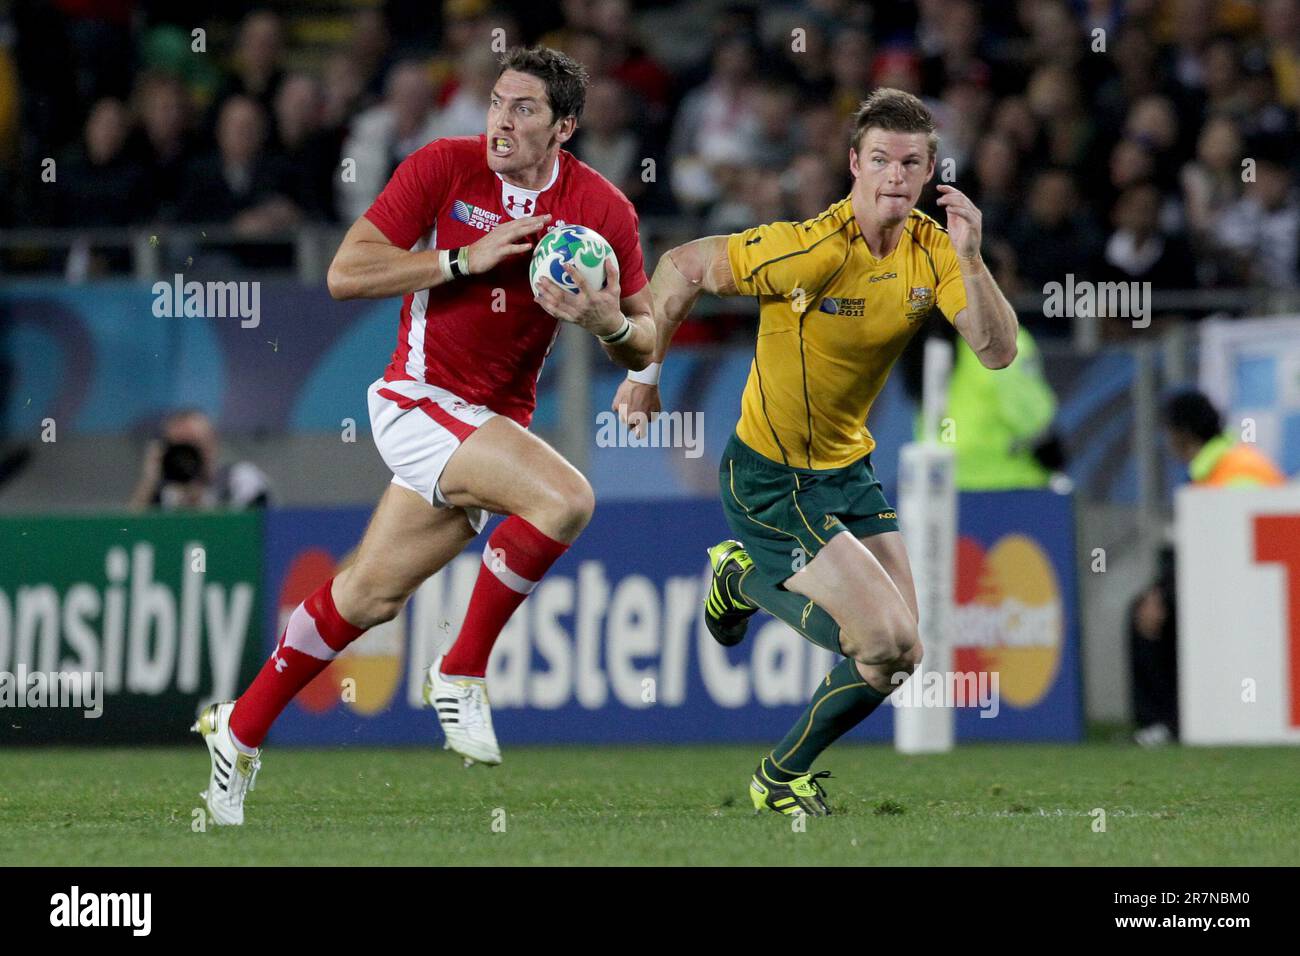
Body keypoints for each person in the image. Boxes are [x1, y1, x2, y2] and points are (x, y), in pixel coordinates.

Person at [192, 46, 655, 826]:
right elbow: (346, 272)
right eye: (498, 103)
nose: (502, 122)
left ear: (565, 127)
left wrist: (609, 324)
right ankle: (462, 670)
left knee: (367, 596)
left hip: (490, 424)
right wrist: (457, 260)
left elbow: (642, 336)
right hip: (417, 399)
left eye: (526, 110)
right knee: (567, 500)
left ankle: (237, 734)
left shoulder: (603, 209)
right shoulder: (444, 166)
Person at [613, 88, 1018, 816]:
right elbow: (681, 265)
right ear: (854, 164)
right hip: (771, 478)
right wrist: (646, 374)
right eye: (882, 160)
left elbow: (996, 350)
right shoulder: (809, 250)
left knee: (903, 655)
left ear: (930, 173)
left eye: (913, 162)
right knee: (883, 641)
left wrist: (974, 260)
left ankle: (777, 764)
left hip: (847, 472)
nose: (896, 175)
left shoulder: (933, 251)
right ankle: (747, 599)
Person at [1129, 389, 1286, 746]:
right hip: (1239, 583)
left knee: (1156, 614)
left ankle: (1165, 723)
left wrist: (1164, 595)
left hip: (1253, 591)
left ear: (1183, 433)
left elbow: (1229, 551)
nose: (1167, 442)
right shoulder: (1219, 466)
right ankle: (1166, 721)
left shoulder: (1234, 471)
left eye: (1169, 432)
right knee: (1149, 605)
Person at [129, 409, 271, 511]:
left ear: (212, 444)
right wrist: (148, 482)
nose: (186, 457)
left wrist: (197, 498)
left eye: (193, 445)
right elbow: (128, 536)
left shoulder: (241, 481)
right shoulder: (165, 494)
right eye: (179, 447)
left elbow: (256, 536)